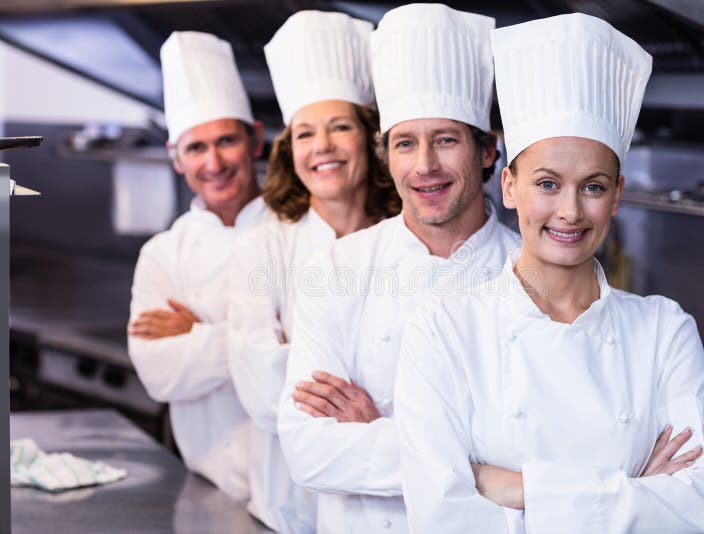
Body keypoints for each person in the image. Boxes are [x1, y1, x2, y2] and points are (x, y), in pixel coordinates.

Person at [395, 13, 704, 533]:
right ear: (509, 187)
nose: (571, 212)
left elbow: (700, 508)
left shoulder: (665, 330)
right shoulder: (443, 330)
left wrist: (517, 489)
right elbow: (441, 516)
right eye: (548, 184)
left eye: (593, 187)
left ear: (618, 195)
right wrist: (635, 494)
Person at [276, 4, 520, 533]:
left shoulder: (531, 276)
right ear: (386, 155)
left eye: (446, 139)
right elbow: (308, 451)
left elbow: (542, 451)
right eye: (406, 143)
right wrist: (481, 467)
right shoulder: (336, 268)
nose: (425, 166)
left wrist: (377, 433)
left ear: (487, 151)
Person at [226, 11, 400, 532]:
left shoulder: (406, 242)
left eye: (340, 127)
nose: (321, 145)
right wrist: (377, 397)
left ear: (370, 140)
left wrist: (298, 352)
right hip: (286, 508)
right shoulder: (262, 246)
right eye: (304, 133)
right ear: (290, 151)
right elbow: (261, 392)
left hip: (392, 507)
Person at [128, 31, 271, 504]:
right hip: (206, 487)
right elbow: (157, 374)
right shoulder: (162, 254)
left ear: (253, 139)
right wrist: (258, 342)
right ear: (176, 157)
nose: (214, 162)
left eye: (226, 140)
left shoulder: (300, 233)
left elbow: (311, 357)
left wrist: (198, 334)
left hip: (297, 496)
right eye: (196, 148)